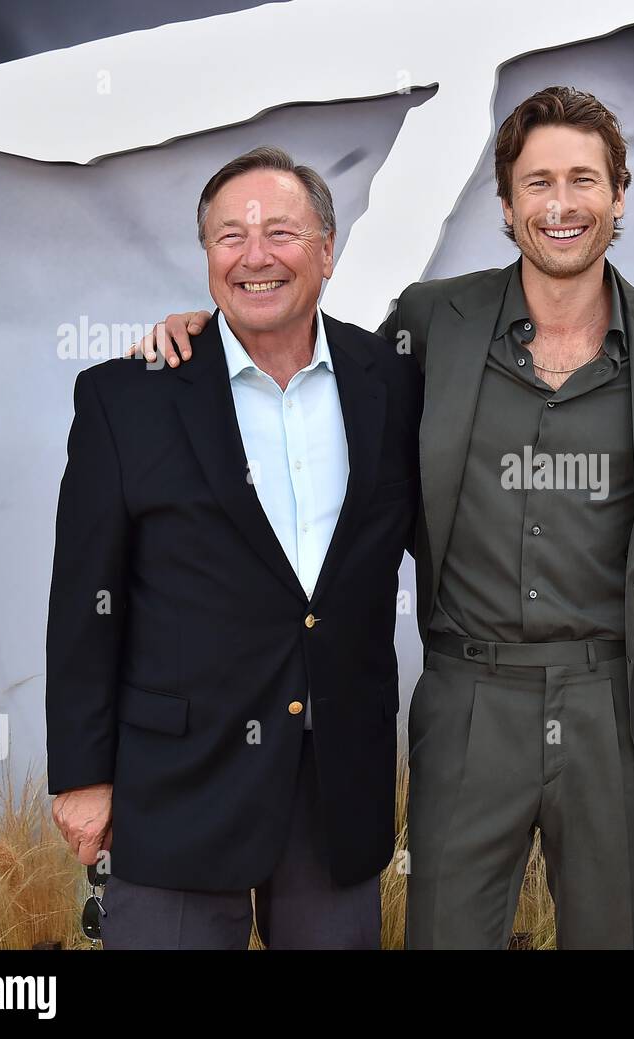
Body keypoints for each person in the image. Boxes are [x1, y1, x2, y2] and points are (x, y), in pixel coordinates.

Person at [135, 87, 634, 949]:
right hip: (469, 695)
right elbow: (317, 364)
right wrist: (213, 340)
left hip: (611, 703)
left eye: (584, 180)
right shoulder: (435, 323)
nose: (561, 204)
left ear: (619, 195)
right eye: (537, 182)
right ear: (505, 206)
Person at [47, 146, 422, 948]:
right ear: (207, 257)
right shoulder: (129, 395)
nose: (255, 256)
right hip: (178, 785)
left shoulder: (390, 381)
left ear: (327, 250)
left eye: (280, 232)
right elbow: (85, 599)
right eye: (229, 236)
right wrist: (82, 774)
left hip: (334, 782)